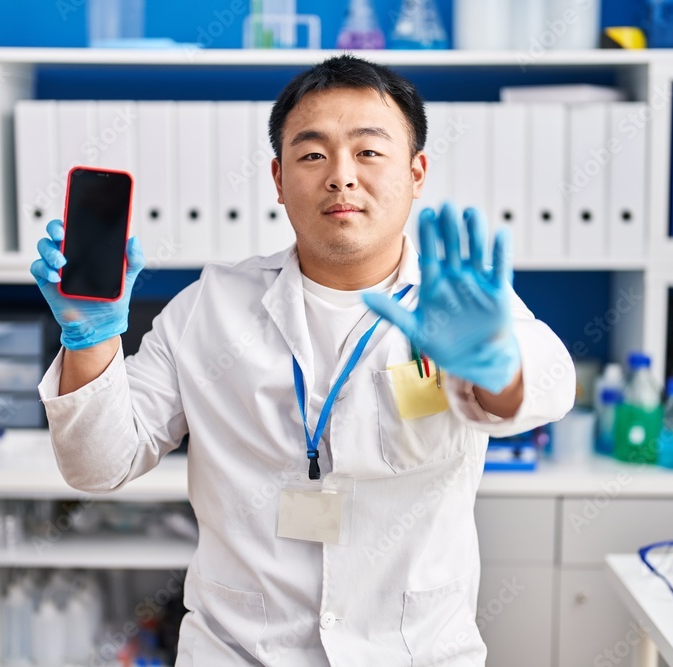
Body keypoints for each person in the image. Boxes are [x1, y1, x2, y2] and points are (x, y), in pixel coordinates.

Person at [32, 54, 575, 665]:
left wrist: (494, 365)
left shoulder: (455, 307)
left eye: (369, 152)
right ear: (278, 177)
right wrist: (91, 338)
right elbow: (98, 466)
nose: (341, 176)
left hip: (415, 652)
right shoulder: (208, 308)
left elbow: (548, 384)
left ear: (417, 172)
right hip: (239, 653)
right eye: (312, 154)